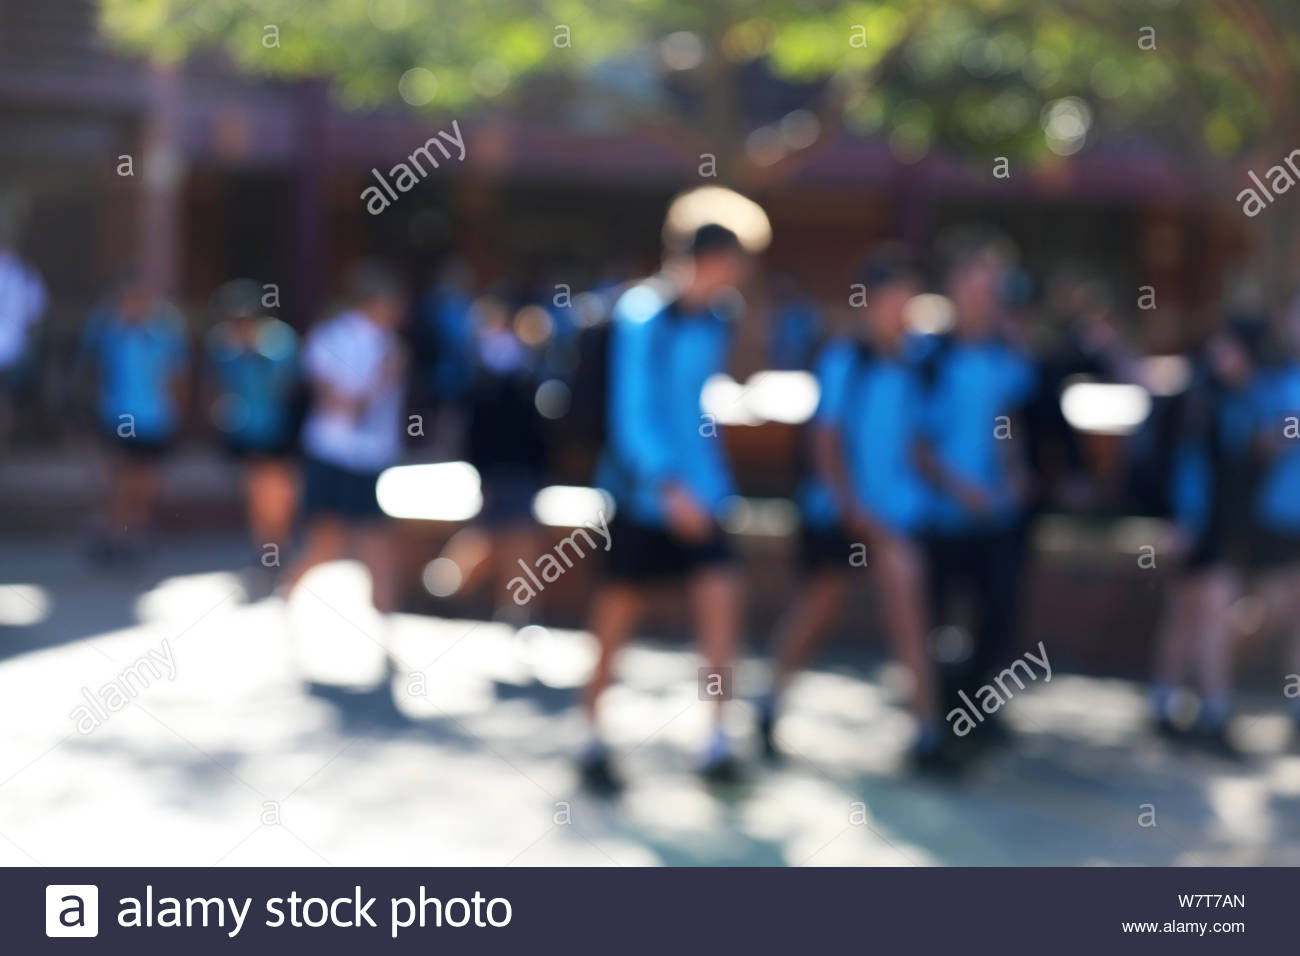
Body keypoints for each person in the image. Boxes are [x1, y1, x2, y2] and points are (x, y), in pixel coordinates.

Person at [578, 223, 752, 793]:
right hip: (641, 495)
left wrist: (704, 487)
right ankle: (592, 734)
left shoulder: (718, 319)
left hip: (701, 492)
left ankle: (717, 737)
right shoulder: (644, 314)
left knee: (721, 599)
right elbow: (632, 413)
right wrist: (668, 487)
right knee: (617, 612)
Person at [760, 249, 950, 771]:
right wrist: (850, 506)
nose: (903, 308)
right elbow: (826, 439)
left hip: (894, 514)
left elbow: (917, 442)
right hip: (839, 512)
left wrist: (958, 487)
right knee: (820, 607)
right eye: (894, 297)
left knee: (909, 607)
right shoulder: (846, 358)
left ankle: (927, 729)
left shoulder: (916, 361)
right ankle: (770, 702)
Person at [915, 242, 1037, 749]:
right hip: (940, 515)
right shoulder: (927, 357)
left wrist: (1013, 474)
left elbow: (1008, 422)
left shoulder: (1007, 355)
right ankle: (938, 711)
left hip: (994, 516)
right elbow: (914, 441)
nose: (980, 299)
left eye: (989, 290)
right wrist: (958, 488)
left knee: (999, 613)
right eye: (972, 288)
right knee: (934, 618)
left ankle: (979, 706)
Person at [1148, 320, 1259, 756]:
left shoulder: (1236, 397)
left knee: (1186, 614)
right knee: (1209, 611)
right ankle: (1213, 712)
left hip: (1211, 527)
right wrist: (1184, 524)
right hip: (1197, 528)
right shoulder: (1202, 398)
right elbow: (1189, 466)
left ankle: (1165, 702)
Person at [281, 262, 407, 627]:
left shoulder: (388, 343)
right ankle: (289, 588)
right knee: (328, 538)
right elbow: (334, 399)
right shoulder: (333, 338)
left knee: (374, 534)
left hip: (369, 455)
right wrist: (375, 383)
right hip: (334, 452)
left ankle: (384, 606)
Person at [433, 296, 550, 625]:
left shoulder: (528, 368)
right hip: (496, 468)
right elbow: (475, 427)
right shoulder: (480, 372)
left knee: (520, 536)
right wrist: (482, 471)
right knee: (492, 534)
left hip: (523, 467)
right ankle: (448, 584)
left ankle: (516, 610)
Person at [79, 268, 188, 561]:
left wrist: (176, 411)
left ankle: (135, 531)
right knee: (119, 475)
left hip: (154, 418)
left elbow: (176, 375)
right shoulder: (106, 330)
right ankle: (115, 531)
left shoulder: (166, 331)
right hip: (115, 416)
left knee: (144, 477)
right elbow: (91, 370)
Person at [205, 279, 302, 572]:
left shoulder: (280, 340)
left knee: (279, 487)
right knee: (255, 486)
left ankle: (280, 543)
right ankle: (263, 546)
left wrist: (256, 353)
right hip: (246, 428)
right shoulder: (221, 343)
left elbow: (290, 384)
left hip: (279, 427)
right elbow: (218, 383)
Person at [0, 235, 48, 447]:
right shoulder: (25, 274)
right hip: (14, 347)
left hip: (12, 348)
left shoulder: (26, 275)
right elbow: (36, 312)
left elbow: (36, 311)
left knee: (6, 398)